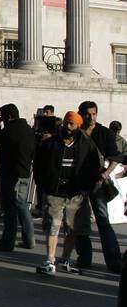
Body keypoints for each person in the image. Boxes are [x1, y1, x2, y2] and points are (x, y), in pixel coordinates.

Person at [33, 111, 99, 276]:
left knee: (72, 228)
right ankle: (50, 259)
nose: (68, 127)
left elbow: (93, 166)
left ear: (78, 126)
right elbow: (38, 165)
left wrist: (86, 188)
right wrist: (43, 185)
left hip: (76, 193)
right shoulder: (51, 143)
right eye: (66, 123)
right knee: (52, 226)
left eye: (72, 124)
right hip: (54, 191)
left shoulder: (86, 144)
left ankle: (65, 260)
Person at [77, 100, 123, 274]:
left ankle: (114, 261)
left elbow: (116, 157)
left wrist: (105, 173)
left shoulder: (104, 133)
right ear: (81, 114)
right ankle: (84, 258)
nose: (91, 117)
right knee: (79, 222)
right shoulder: (76, 132)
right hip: (78, 184)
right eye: (88, 114)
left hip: (97, 183)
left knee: (103, 222)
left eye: (94, 114)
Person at [0, 103, 35, 252]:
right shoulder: (28, 130)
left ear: (8, 116)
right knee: (22, 205)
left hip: (9, 174)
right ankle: (29, 239)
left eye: (2, 116)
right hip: (24, 173)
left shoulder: (8, 130)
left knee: (10, 209)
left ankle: (7, 241)